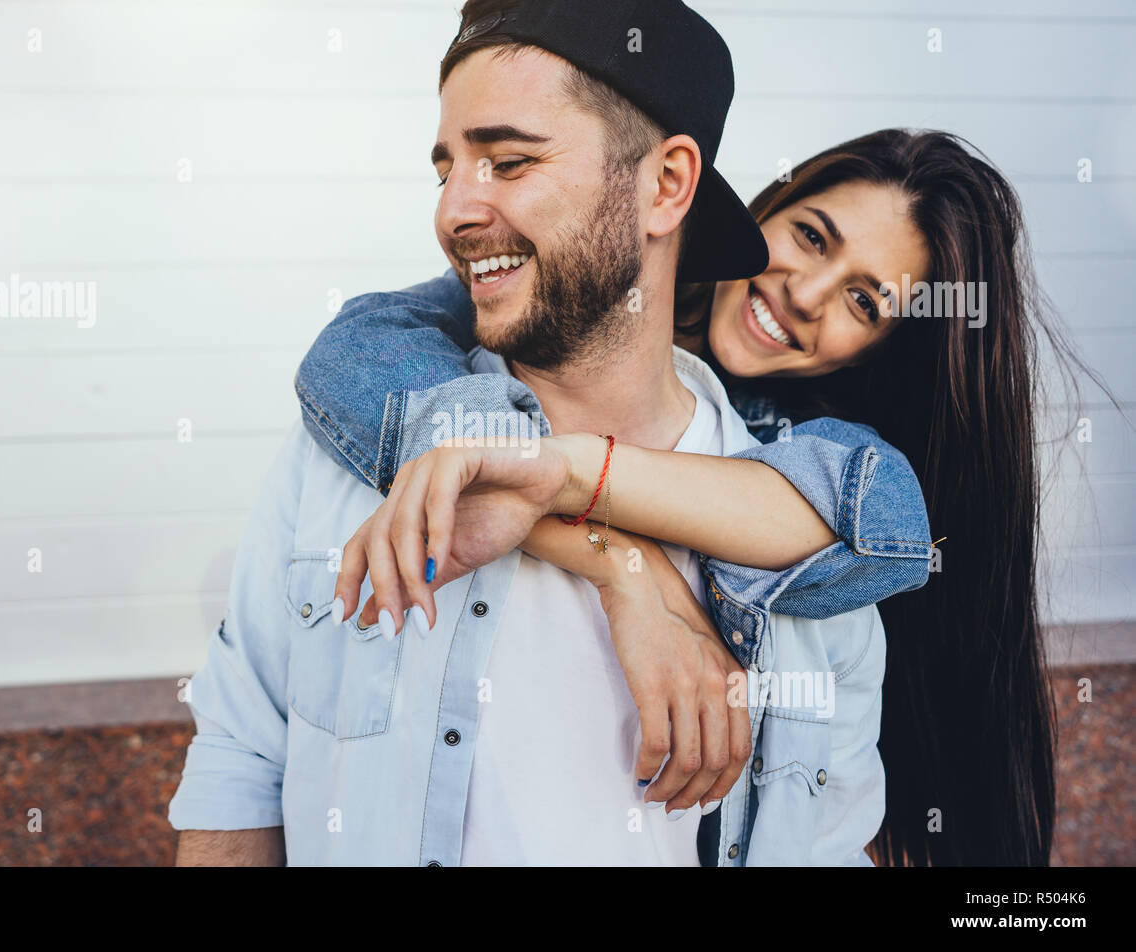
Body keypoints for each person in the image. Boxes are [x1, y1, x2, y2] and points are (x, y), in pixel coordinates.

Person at [294, 76, 1080, 870]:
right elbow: (355, 351)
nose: (804, 294)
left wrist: (568, 481)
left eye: (865, 302)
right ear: (761, 209)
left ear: (884, 349)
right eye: (811, 237)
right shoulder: (567, 292)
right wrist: (624, 570)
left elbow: (884, 521)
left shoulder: (797, 445)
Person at [169, 0, 889, 866]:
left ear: (666, 185)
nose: (455, 214)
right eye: (448, 171)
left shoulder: (804, 566)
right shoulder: (351, 444)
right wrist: (622, 561)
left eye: (509, 162)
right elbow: (242, 756)